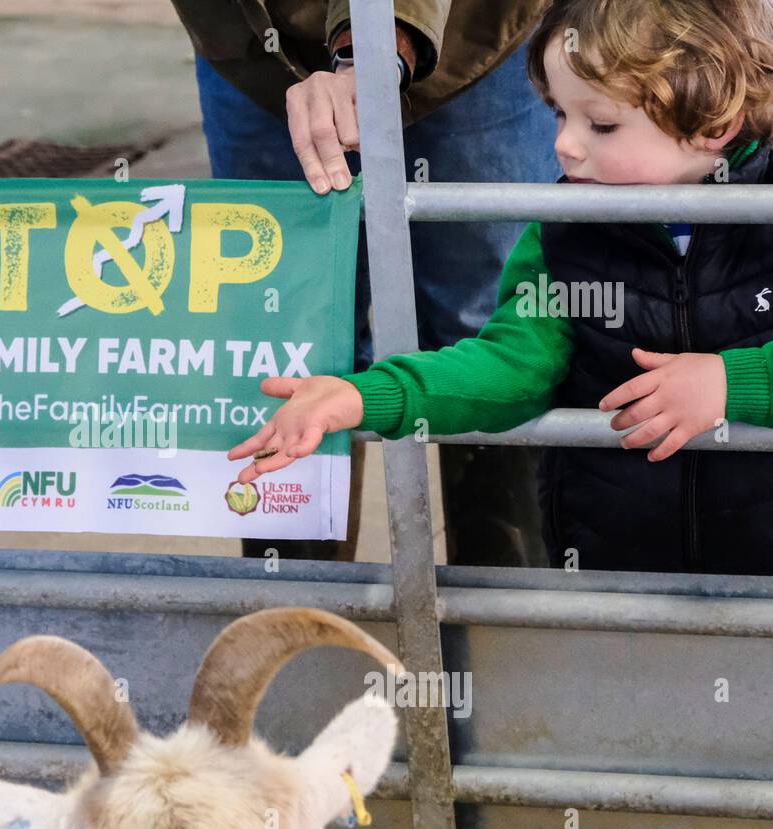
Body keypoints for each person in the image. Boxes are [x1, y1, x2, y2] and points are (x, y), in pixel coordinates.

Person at [0, 0, 559, 566]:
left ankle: (498, 643)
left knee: (485, 325)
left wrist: (375, 46)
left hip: (467, 45)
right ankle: (293, 651)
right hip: (251, 52)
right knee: (282, 334)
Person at [229, 0, 773, 576]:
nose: (564, 145)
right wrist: (362, 396)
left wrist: (731, 384)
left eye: (601, 124)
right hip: (620, 574)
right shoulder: (564, 236)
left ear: (716, 125)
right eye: (559, 114)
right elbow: (512, 365)